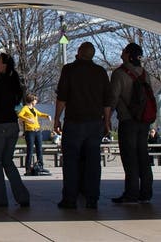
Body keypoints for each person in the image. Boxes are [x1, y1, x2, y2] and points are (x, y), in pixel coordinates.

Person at [53, 41, 112, 209]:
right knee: (93, 161)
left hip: (74, 121)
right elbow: (107, 100)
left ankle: (70, 198)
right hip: (95, 123)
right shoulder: (100, 72)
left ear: (79, 52)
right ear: (93, 55)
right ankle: (92, 198)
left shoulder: (69, 69)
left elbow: (62, 96)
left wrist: (57, 118)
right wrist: (106, 122)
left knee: (71, 162)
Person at [109, 42, 157, 204]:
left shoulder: (119, 73)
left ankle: (131, 193)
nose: (121, 53)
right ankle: (146, 192)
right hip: (144, 121)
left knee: (129, 157)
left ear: (128, 55)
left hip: (128, 119)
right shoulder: (144, 73)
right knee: (143, 154)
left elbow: (113, 97)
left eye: (123, 51)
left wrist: (107, 118)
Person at [0, 53, 30, 208]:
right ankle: (22, 196)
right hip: (12, 126)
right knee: (8, 161)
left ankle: (0, 198)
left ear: (3, 64)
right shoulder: (15, 82)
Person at [17, 94, 51, 176]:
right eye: (35, 100)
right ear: (32, 101)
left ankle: (40, 166)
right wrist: (27, 119)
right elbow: (20, 115)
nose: (36, 101)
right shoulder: (25, 108)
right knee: (30, 150)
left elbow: (40, 114)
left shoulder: (34, 109)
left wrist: (47, 116)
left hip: (37, 131)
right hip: (30, 132)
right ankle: (28, 169)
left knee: (39, 149)